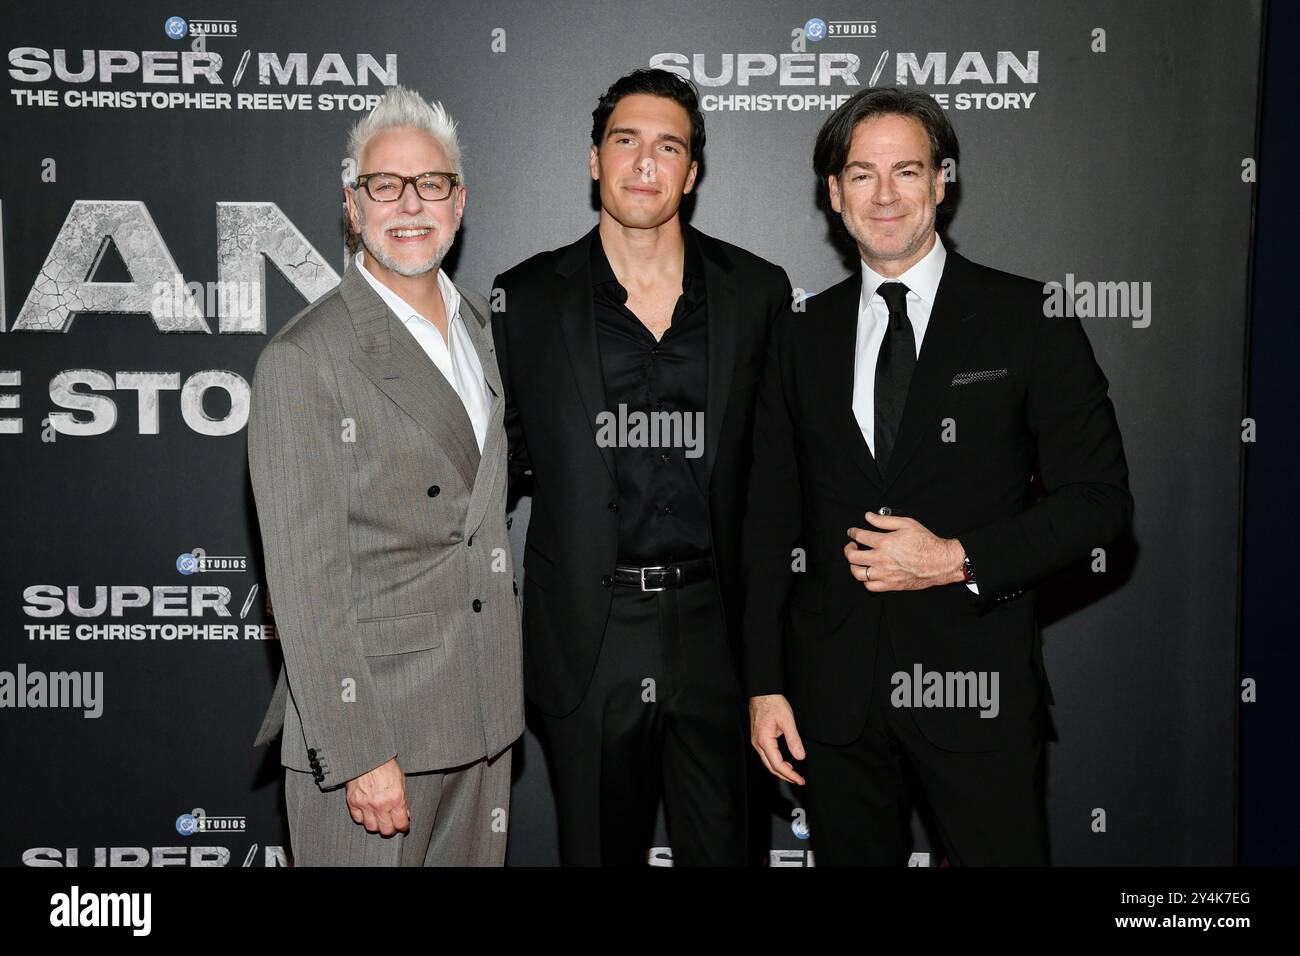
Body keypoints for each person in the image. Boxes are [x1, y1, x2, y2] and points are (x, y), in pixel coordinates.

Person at [743, 86, 1133, 865]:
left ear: (941, 182)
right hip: (834, 703)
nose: (884, 195)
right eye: (861, 174)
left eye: (907, 171)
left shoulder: (1030, 318)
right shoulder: (797, 333)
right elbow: (768, 521)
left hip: (975, 693)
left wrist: (955, 558)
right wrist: (764, 684)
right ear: (833, 193)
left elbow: (1099, 506)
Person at [492, 69, 791, 865]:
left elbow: (775, 487)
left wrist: (770, 664)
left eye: (669, 147)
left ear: (692, 174)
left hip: (717, 631)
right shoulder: (521, 301)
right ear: (595, 159)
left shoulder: (758, 292)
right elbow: (490, 471)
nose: (645, 164)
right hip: (590, 636)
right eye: (626, 141)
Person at [247, 85, 521, 866]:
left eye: (430, 184)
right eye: (384, 185)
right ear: (352, 203)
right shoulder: (303, 360)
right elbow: (304, 582)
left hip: (484, 712)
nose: (410, 205)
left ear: (459, 201)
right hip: (377, 730)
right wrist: (359, 750)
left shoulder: (488, 329)